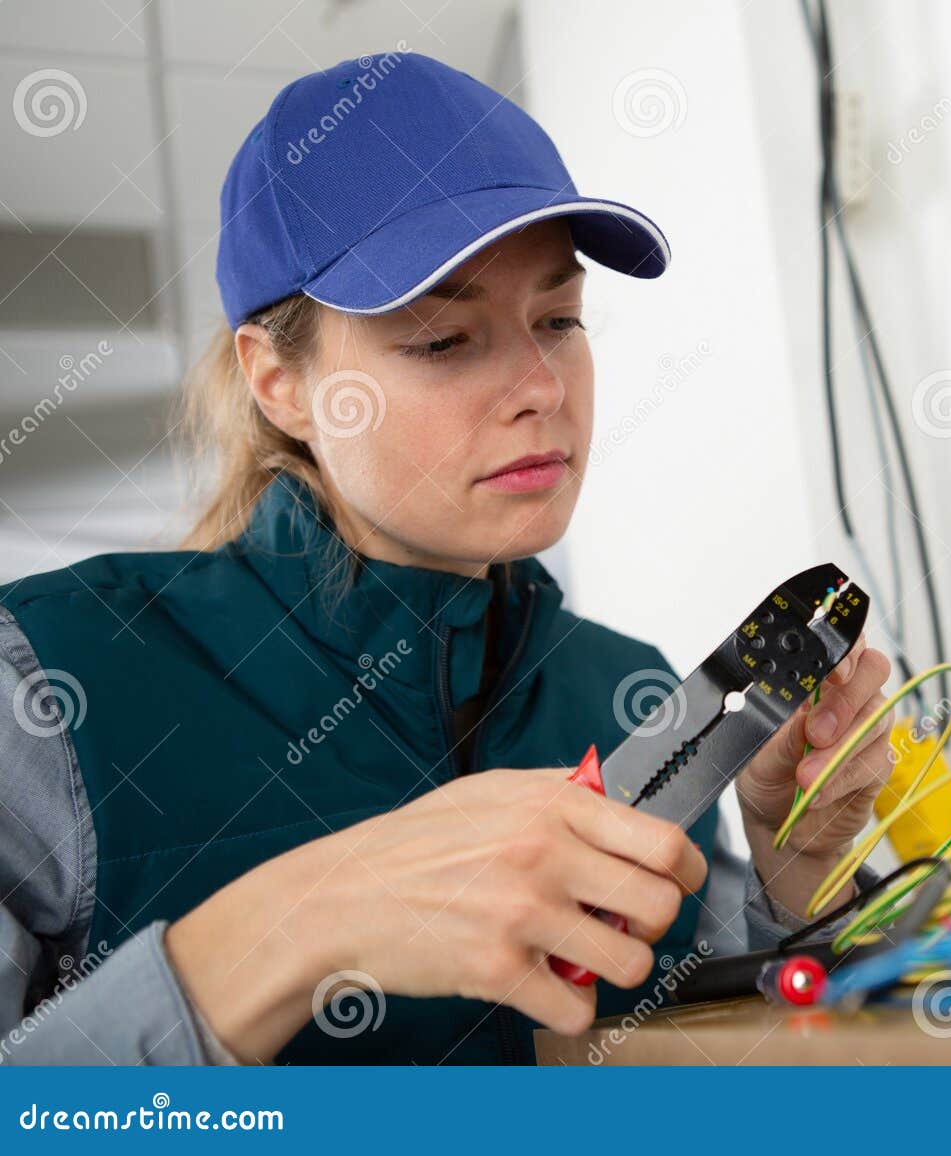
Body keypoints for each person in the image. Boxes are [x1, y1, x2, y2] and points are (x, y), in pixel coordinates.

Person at [0, 52, 893, 1065]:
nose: (540, 387)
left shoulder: (629, 685)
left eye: (559, 319)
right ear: (280, 382)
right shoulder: (44, 684)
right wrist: (308, 916)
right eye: (443, 340)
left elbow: (727, 1072)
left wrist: (797, 878)